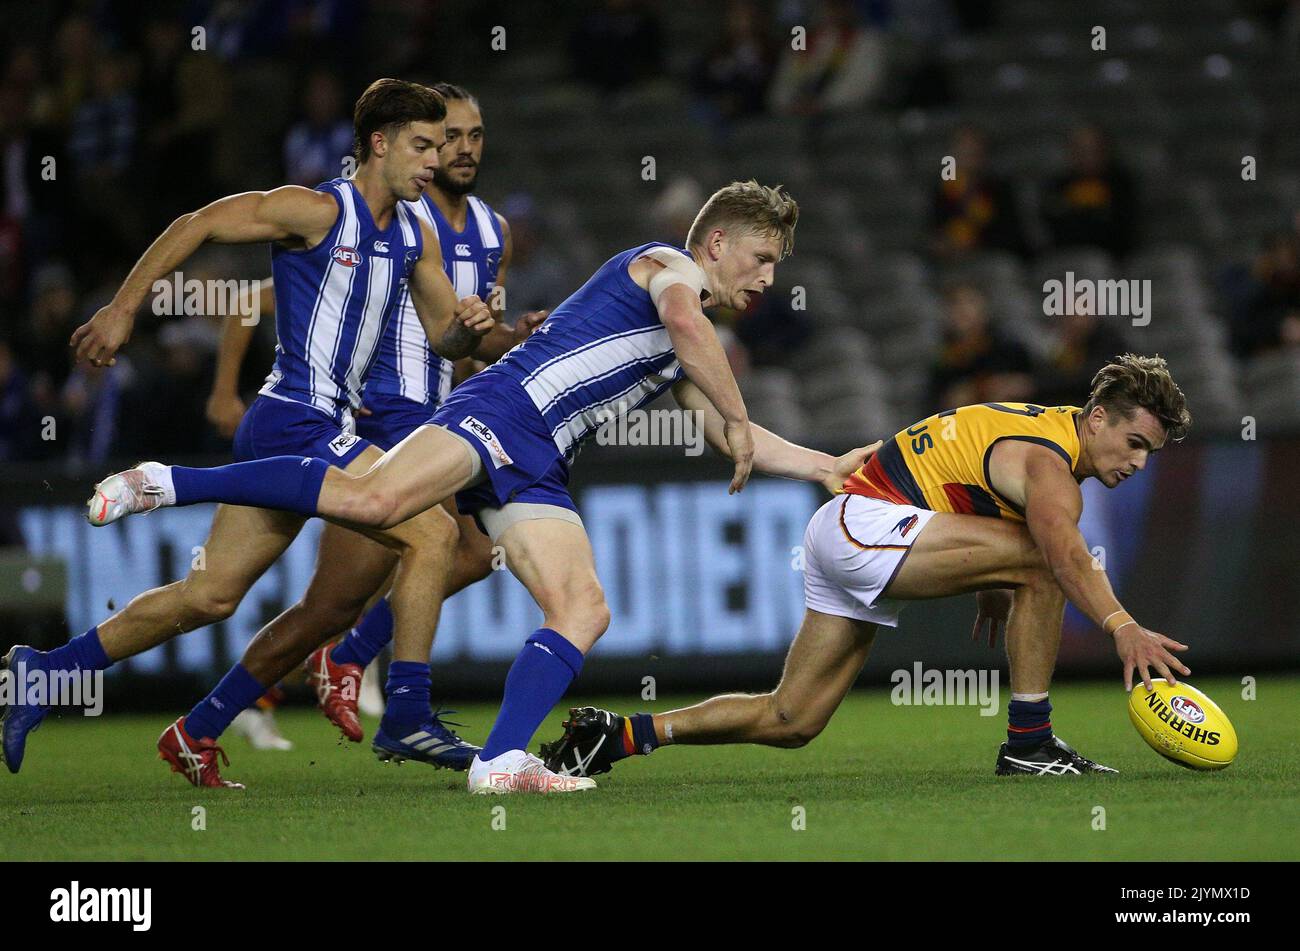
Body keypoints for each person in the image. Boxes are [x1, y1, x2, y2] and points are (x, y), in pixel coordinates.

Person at [72, 180, 879, 794]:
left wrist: (820, 464)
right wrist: (736, 409)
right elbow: (686, 324)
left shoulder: (688, 347)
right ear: (719, 242)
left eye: (777, 265)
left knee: (583, 607)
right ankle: (167, 480)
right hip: (501, 409)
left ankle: (499, 760)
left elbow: (727, 431)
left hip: (540, 460)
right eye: (763, 257)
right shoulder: (668, 266)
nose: (769, 275)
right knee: (376, 502)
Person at [1, 79, 511, 786]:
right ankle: (407, 712)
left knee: (209, 596)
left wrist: (472, 327)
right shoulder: (318, 210)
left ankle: (49, 670)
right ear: (379, 144)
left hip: (318, 428)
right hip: (292, 418)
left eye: (440, 145)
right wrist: (121, 310)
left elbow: (445, 337)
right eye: (422, 145)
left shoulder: (411, 237)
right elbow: (198, 223)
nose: (434, 160)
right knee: (434, 533)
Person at [541, 356, 1194, 780]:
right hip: (866, 526)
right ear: (1098, 418)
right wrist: (1121, 626)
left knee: (792, 720)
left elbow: (972, 483)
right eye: (1134, 443)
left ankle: (621, 735)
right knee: (1044, 562)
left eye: (1151, 453)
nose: (1138, 462)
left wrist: (994, 581)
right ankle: (1030, 742)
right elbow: (1065, 554)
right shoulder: (1051, 462)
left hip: (853, 527)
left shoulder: (1047, 432)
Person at [201, 83, 545, 771]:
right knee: (359, 590)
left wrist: (516, 339)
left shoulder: (491, 232)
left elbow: (469, 339)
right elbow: (256, 299)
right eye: (446, 137)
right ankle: (324, 682)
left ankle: (269, 692)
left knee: (415, 573)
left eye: (474, 135)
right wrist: (223, 392)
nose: (461, 149)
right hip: (378, 418)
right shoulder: (381, 217)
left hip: (441, 417)